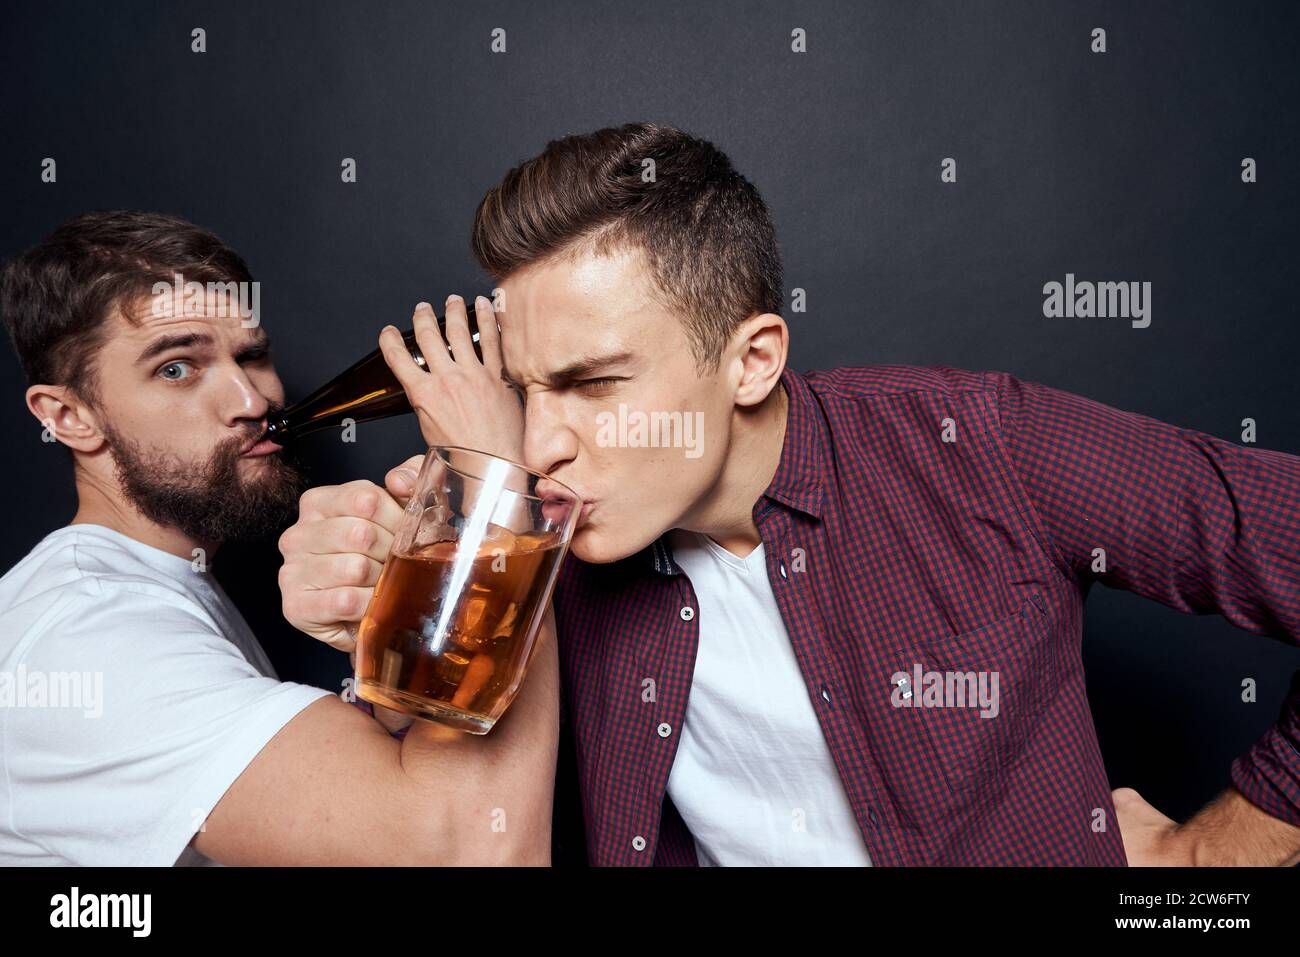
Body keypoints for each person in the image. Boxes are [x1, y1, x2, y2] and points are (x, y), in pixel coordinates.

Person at [279, 122, 1300, 866]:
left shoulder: (980, 447)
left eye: (595, 385)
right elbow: (449, 830)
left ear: (753, 359)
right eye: (526, 390)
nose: (540, 442)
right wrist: (386, 632)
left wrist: (1212, 866)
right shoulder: (525, 546)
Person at [0, 211, 557, 866]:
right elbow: (467, 851)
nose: (251, 397)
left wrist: (399, 635)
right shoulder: (89, 639)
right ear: (68, 415)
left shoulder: (154, 585)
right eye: (177, 368)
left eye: (252, 354)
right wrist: (495, 483)